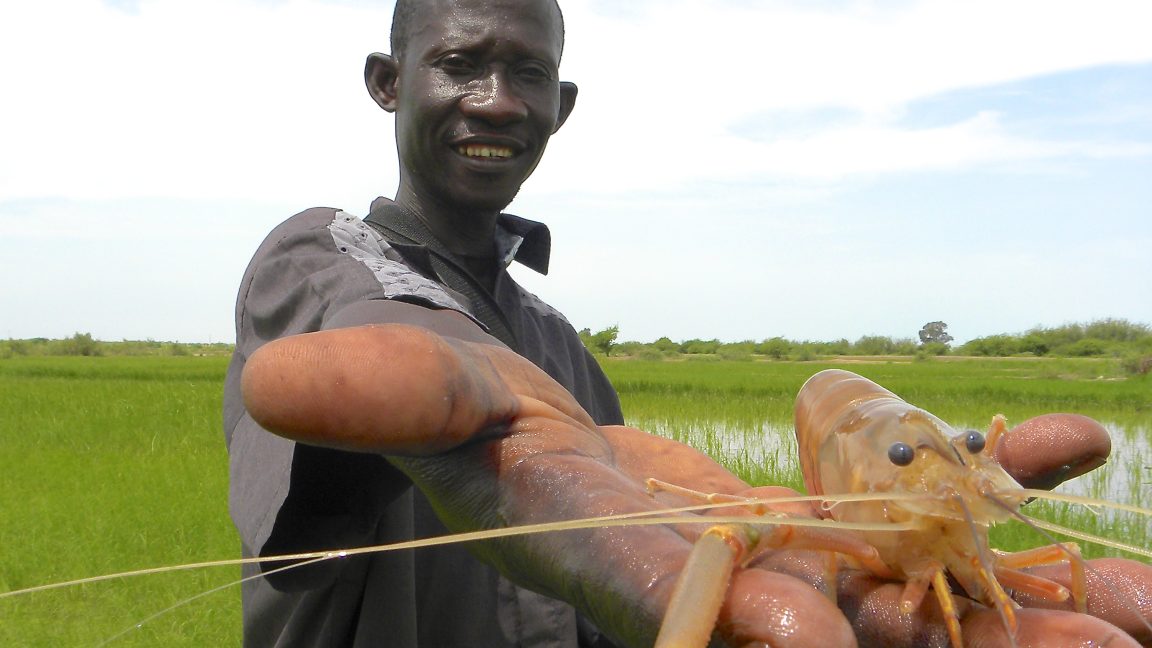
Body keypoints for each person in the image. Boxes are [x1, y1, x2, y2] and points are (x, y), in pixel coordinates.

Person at [224, 0, 1152, 646]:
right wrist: (462, 386)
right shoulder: (311, 259)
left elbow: (617, 575)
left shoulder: (559, 347)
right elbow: (391, 325)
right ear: (388, 82)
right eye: (460, 64)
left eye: (529, 73)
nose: (497, 99)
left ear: (561, 107)